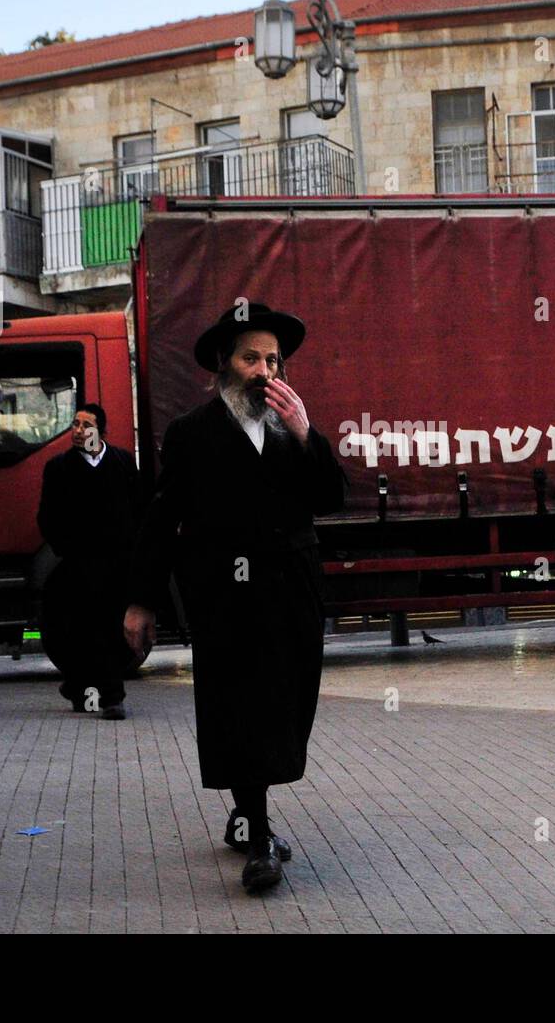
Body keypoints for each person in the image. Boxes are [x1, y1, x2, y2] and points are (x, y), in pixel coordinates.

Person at [125, 302, 347, 893]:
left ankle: (248, 813)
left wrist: (306, 432)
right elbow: (160, 521)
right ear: (225, 363)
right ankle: (257, 838)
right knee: (243, 712)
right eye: (251, 357)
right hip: (227, 599)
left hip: (293, 597)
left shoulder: (291, 431)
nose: (264, 370)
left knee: (287, 710)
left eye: (273, 360)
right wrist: (142, 601)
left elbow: (332, 496)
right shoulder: (192, 434)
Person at [37, 403, 140, 719]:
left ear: (101, 430)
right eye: (75, 424)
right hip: (79, 566)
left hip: (118, 565)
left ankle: (110, 696)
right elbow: (47, 517)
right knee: (83, 629)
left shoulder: (122, 462)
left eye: (85, 425)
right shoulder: (59, 468)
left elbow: (141, 508)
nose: (78, 430)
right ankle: (84, 689)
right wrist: (67, 550)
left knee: (111, 628)